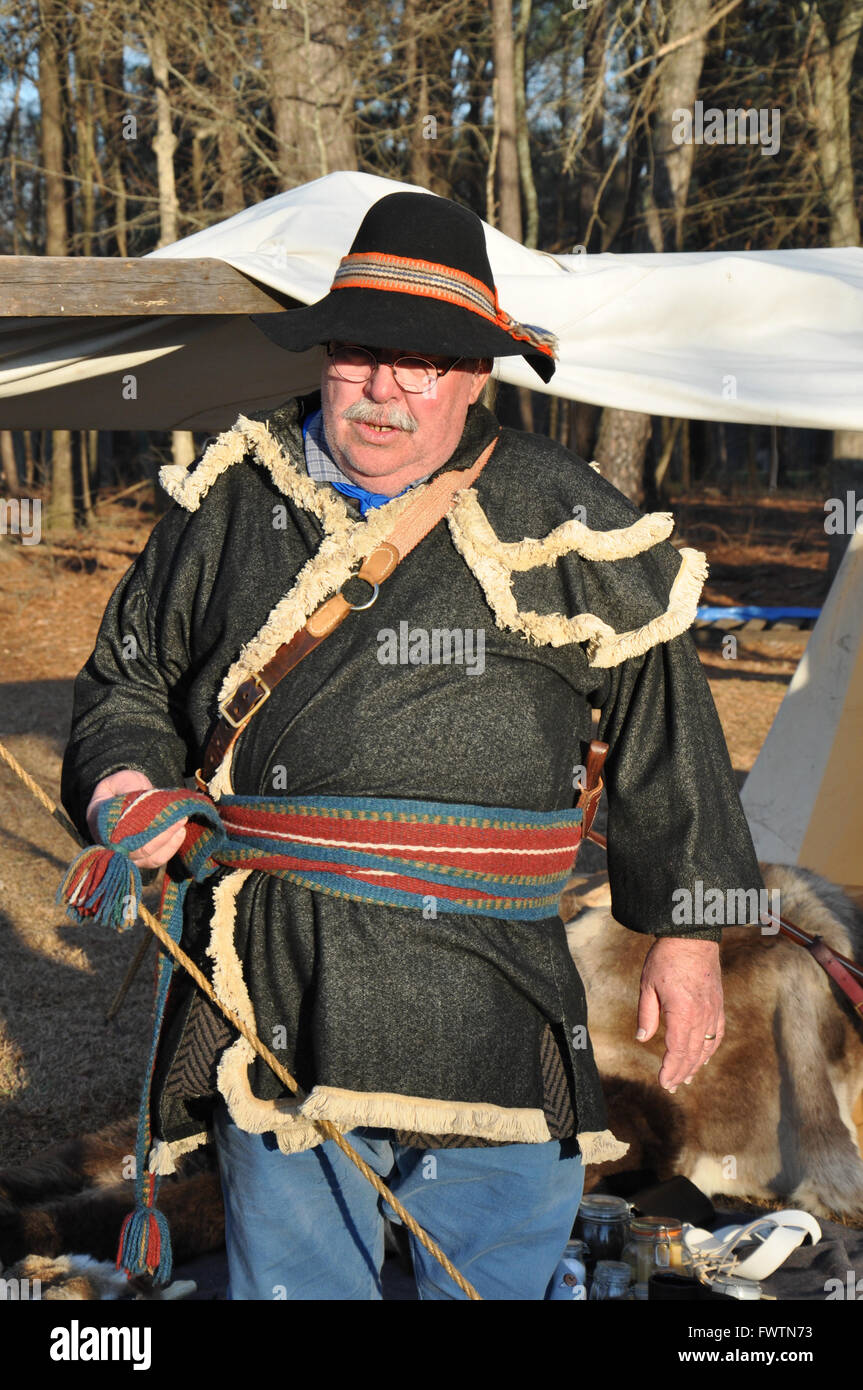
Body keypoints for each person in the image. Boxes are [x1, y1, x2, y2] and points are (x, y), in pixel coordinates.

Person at [60, 190, 763, 1301]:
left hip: (493, 990)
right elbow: (128, 682)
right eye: (360, 355)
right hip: (282, 969)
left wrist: (683, 934)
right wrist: (126, 778)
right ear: (326, 356)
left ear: (475, 376)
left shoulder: (562, 511)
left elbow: (661, 729)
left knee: (485, 1279)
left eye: (422, 361)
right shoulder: (232, 505)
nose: (385, 388)